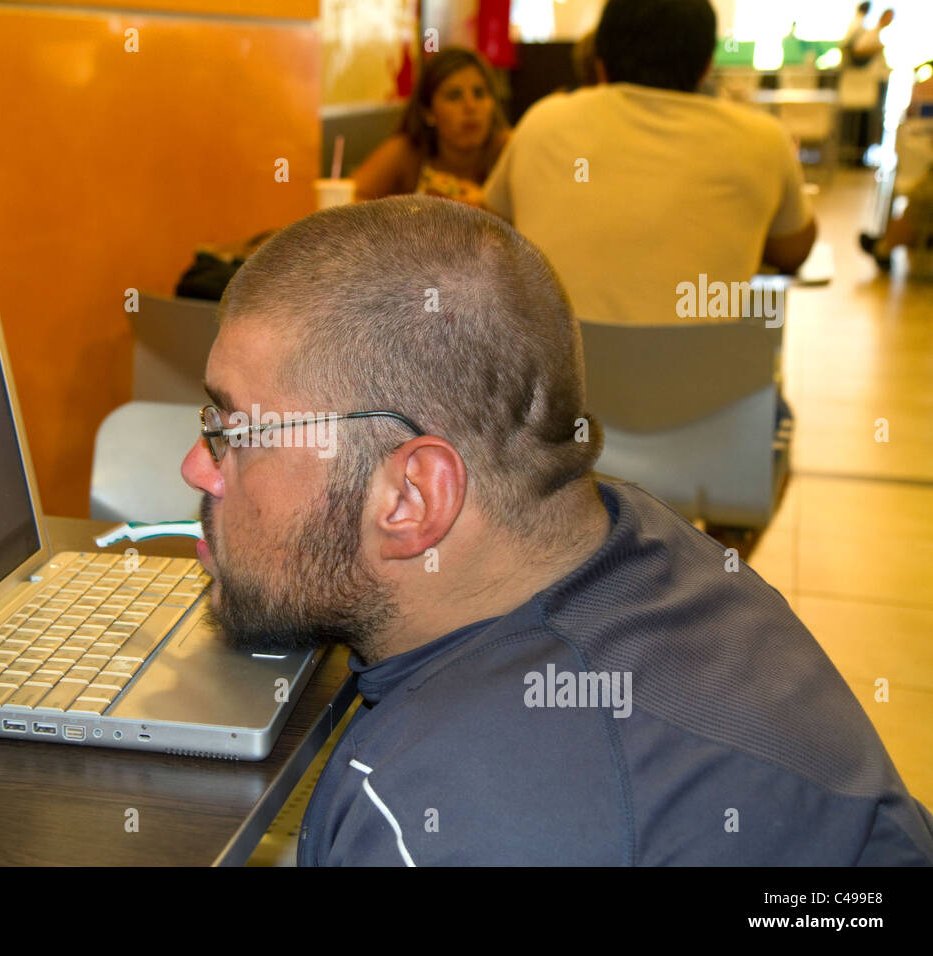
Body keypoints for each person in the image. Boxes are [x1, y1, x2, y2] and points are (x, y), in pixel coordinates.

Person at [180, 195, 933, 866]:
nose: (196, 467)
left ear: (411, 497)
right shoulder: (636, 533)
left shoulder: (451, 813)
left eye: (232, 432)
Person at [482, 0, 817, 326]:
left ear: (599, 63)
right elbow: (794, 251)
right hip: (713, 378)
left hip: (560, 378)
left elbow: (489, 230)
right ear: (706, 66)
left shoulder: (542, 122)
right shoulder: (764, 138)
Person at [352, 46, 510, 207]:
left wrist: (487, 205)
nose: (470, 106)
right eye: (454, 96)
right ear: (428, 111)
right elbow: (350, 198)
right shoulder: (408, 151)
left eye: (479, 93)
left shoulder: (509, 150)